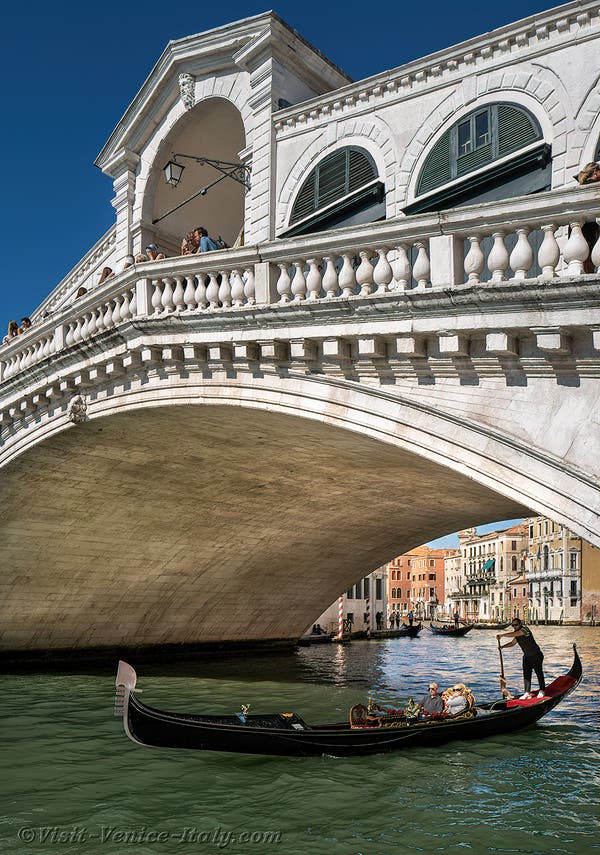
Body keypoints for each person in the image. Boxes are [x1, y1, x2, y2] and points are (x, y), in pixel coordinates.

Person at [497, 618, 546, 699]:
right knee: (526, 675)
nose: (514, 627)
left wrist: (502, 635)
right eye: (513, 625)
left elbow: (515, 634)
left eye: (516, 625)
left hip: (536, 655)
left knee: (539, 672)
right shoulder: (516, 634)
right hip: (527, 656)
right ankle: (527, 692)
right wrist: (502, 647)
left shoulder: (525, 630)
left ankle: (542, 690)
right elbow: (512, 643)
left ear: (520, 624)